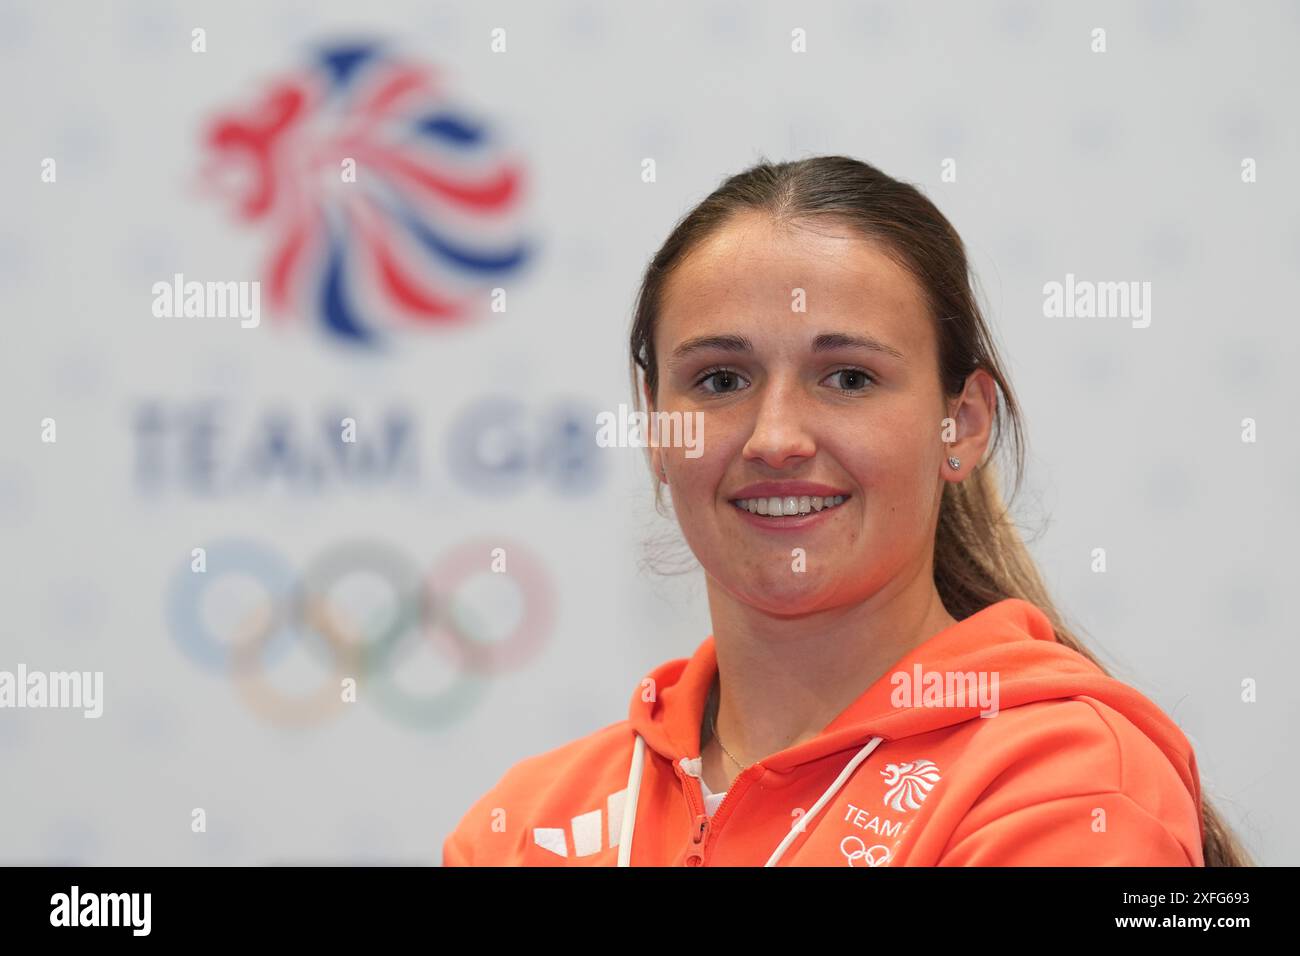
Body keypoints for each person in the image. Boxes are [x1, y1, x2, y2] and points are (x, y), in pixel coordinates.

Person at [441, 155, 1250, 866]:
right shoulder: (529, 825)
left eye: (849, 379)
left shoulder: (1069, 786)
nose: (776, 438)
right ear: (657, 428)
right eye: (722, 380)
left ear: (962, 424)